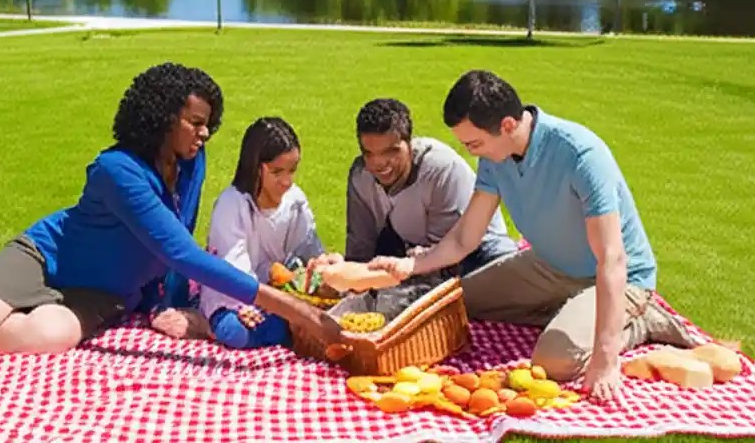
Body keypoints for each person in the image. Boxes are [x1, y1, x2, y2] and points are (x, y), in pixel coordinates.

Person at [0, 62, 344, 357]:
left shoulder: (191, 161)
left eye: (209, 122)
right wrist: (293, 308)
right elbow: (178, 249)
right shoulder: (116, 170)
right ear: (162, 116)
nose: (205, 133)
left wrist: (174, 300)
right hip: (47, 260)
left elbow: (179, 232)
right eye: (195, 121)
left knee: (43, 339)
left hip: (106, 291)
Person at [368, 70, 698, 404]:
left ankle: (642, 321)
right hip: (549, 264)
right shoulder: (494, 158)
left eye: (475, 143)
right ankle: (568, 311)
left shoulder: (580, 154)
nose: (471, 153)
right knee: (455, 305)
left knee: (555, 360)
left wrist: (606, 357)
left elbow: (612, 258)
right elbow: (463, 239)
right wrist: (409, 265)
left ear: (508, 125)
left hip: (615, 276)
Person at [311, 98, 517, 277]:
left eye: (390, 151)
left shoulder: (439, 170)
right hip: (414, 250)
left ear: (409, 143)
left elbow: (447, 257)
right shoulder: (360, 175)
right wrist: (344, 274)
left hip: (473, 249)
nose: (379, 163)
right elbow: (360, 250)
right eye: (369, 153)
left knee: (500, 275)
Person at [197, 117, 326, 349]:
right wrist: (245, 305)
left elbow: (310, 253)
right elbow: (232, 272)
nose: (287, 181)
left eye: (292, 171)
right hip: (237, 298)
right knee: (236, 332)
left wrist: (323, 270)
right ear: (256, 167)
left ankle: (290, 328)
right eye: (277, 172)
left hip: (282, 295)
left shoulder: (294, 199)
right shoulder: (232, 204)